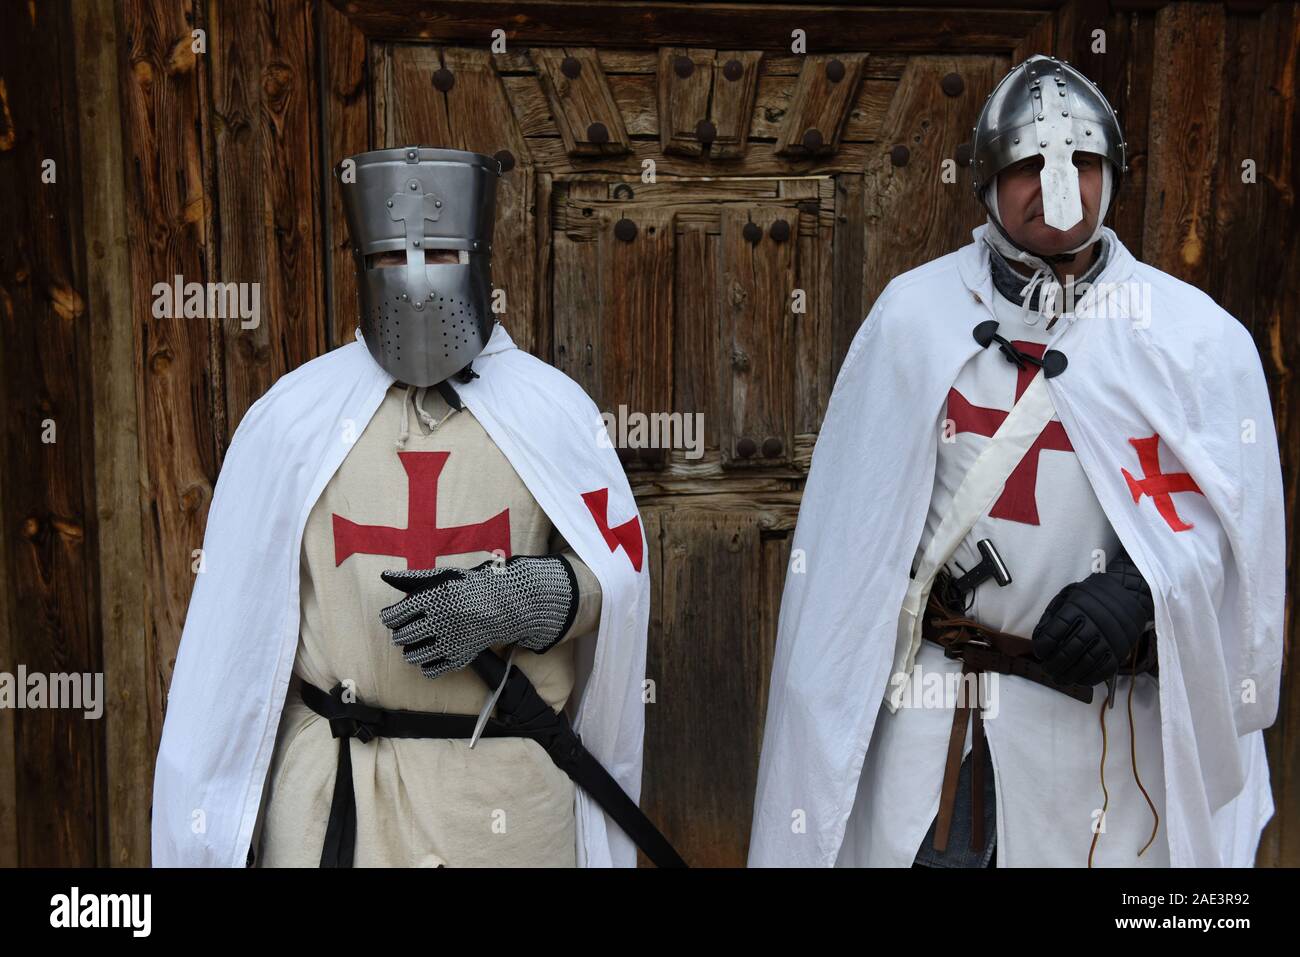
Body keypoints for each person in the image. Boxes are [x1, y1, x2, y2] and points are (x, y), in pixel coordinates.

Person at [749, 56, 1284, 868]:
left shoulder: (1192, 340)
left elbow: (1236, 535)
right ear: (987, 180)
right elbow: (851, 541)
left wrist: (1141, 592)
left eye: (1081, 163)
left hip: (1107, 728)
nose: (1058, 186)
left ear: (1115, 173)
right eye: (1032, 164)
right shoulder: (914, 316)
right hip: (942, 717)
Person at [152, 146, 679, 868]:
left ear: (478, 257)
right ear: (364, 264)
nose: (421, 278)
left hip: (505, 808)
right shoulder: (294, 418)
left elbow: (616, 579)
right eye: (394, 258)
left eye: (439, 249)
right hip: (337, 800)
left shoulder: (551, 412)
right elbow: (232, 641)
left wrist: (527, 598)